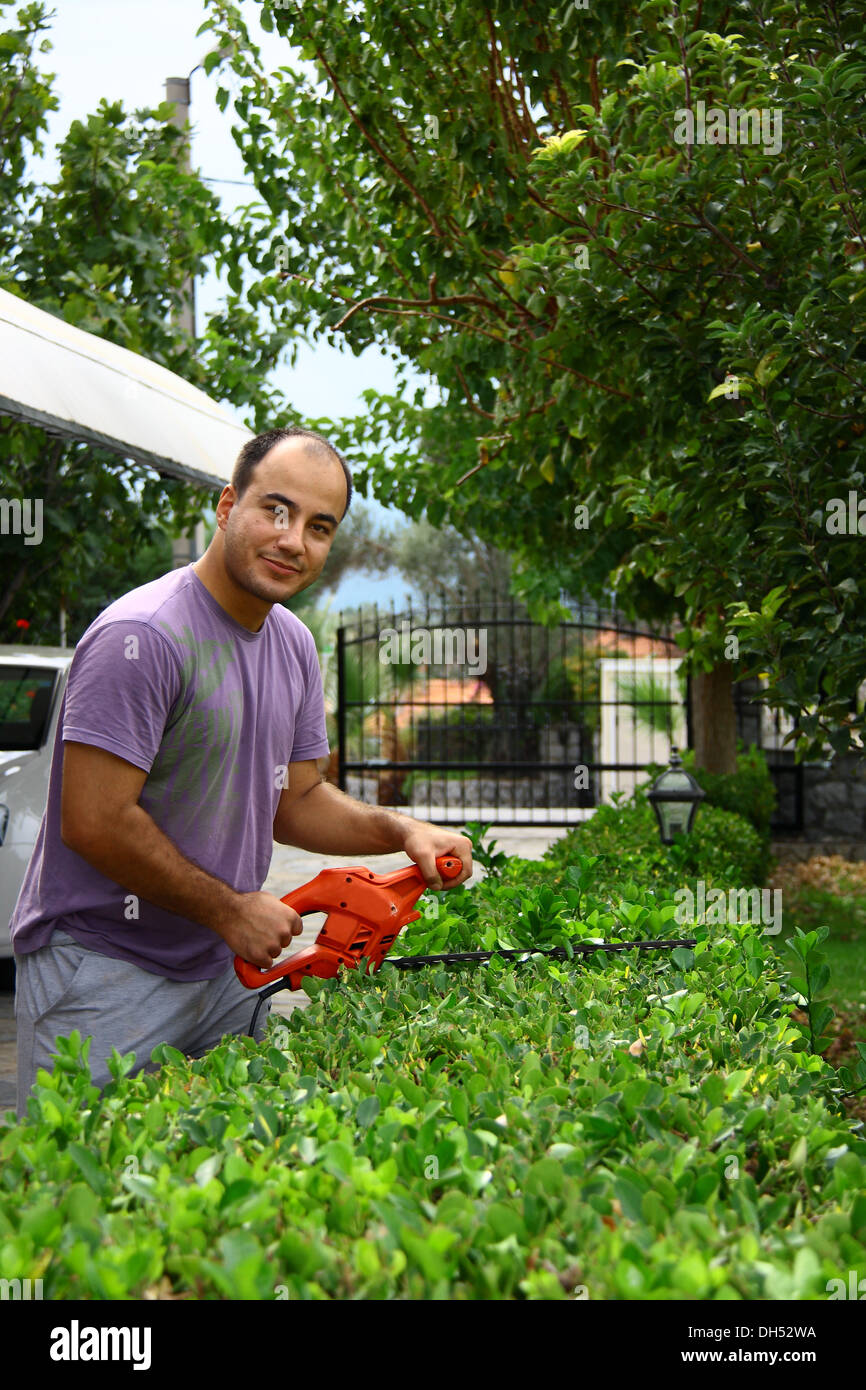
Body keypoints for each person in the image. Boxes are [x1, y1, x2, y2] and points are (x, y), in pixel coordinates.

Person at [10, 425, 473, 1119]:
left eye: (320, 527)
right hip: (104, 967)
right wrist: (231, 910)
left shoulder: (292, 644)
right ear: (228, 505)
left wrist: (402, 830)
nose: (294, 540)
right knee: (84, 1192)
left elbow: (299, 799)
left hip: (221, 970)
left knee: (207, 1197)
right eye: (276, 510)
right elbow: (94, 820)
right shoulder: (141, 637)